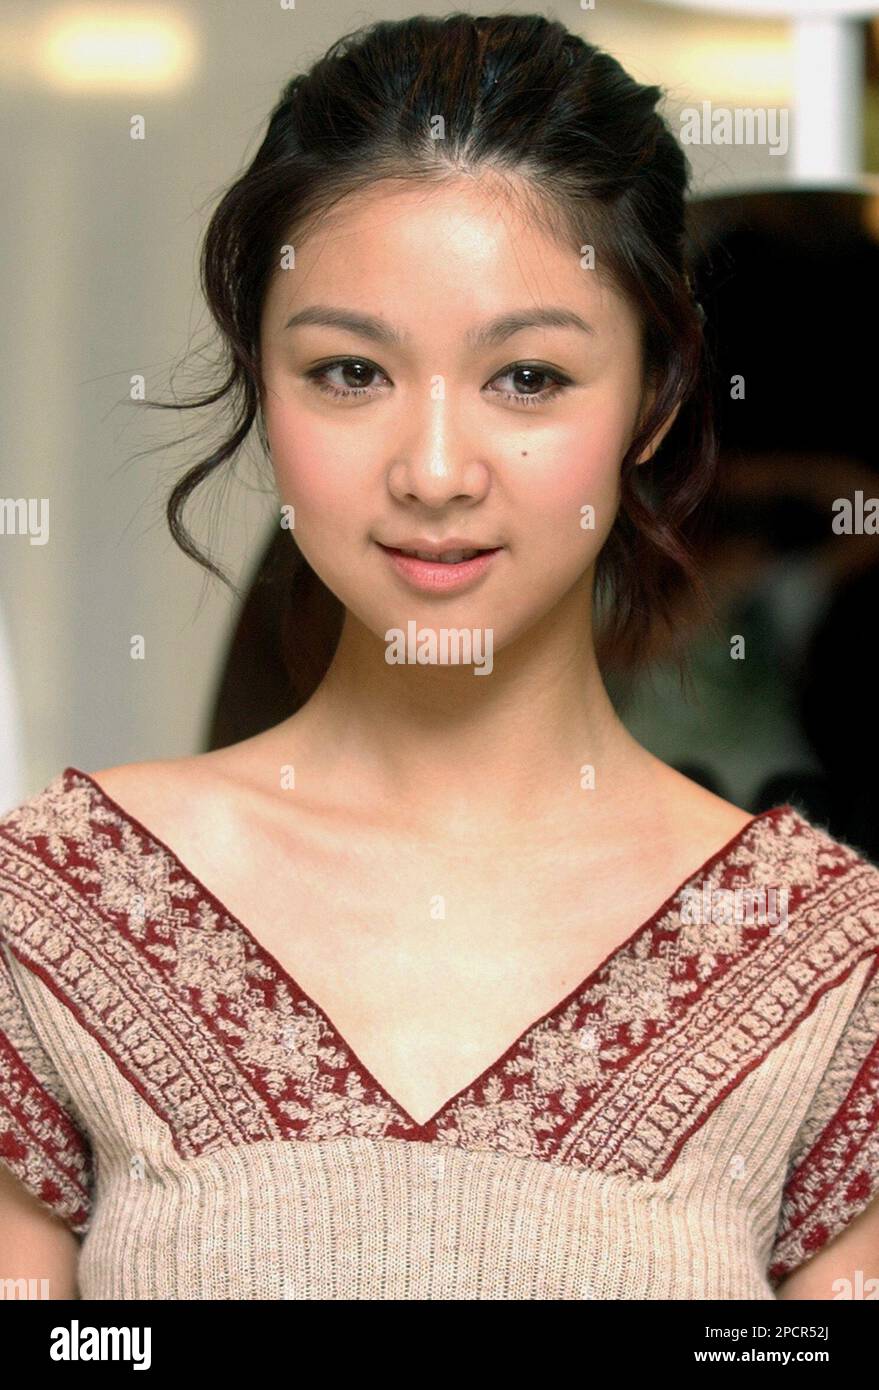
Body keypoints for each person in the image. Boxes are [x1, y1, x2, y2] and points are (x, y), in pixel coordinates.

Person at [1, 12, 877, 1301]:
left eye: (527, 378)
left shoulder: (819, 961)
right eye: (350, 371)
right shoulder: (60, 910)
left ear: (655, 400)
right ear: (261, 381)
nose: (433, 474)